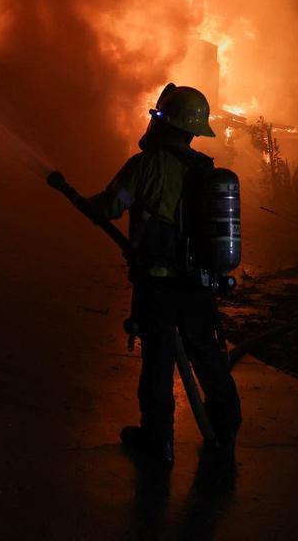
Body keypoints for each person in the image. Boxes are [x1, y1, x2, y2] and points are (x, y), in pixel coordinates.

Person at [90, 84, 242, 464]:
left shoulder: (145, 165)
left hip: (157, 283)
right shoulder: (205, 171)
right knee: (206, 354)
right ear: (194, 131)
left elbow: (110, 206)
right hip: (199, 285)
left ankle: (158, 441)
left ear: (163, 121)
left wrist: (87, 202)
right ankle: (225, 427)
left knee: (158, 360)